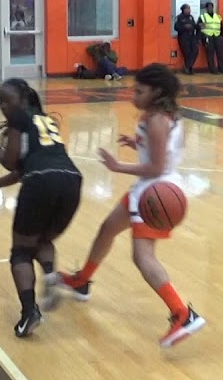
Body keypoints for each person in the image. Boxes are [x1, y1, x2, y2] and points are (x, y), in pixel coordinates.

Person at [56, 63, 206, 348]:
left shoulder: (157, 120)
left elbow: (157, 166)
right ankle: (82, 281)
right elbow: (161, 150)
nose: (132, 95)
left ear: (157, 92)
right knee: (107, 229)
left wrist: (117, 165)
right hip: (152, 188)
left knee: (142, 257)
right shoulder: (160, 116)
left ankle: (182, 313)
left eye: (139, 91)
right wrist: (137, 141)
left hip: (155, 191)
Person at [0, 79, 83, 338]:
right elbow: (28, 168)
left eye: (7, 100)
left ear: (22, 99)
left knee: (21, 250)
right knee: (42, 238)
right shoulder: (43, 120)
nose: (3, 105)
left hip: (41, 182)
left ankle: (29, 313)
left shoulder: (18, 117)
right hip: (72, 181)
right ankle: (50, 275)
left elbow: (12, 161)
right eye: (0, 100)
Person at [198, 2, 223, 74]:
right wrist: (200, 39)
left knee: (221, 53)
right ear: (206, 8)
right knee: (210, 54)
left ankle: (222, 68)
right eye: (208, 7)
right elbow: (200, 28)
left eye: (211, 7)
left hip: (217, 36)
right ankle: (213, 69)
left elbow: (222, 28)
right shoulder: (203, 17)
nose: (210, 8)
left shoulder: (218, 17)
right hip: (208, 37)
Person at [173, 4, 199, 75]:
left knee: (195, 50)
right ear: (183, 10)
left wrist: (198, 26)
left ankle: (187, 66)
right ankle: (189, 69)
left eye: (189, 9)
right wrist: (184, 27)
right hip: (183, 37)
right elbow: (176, 27)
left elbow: (194, 26)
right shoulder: (179, 17)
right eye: (187, 9)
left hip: (192, 36)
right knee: (187, 53)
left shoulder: (191, 17)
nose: (189, 10)